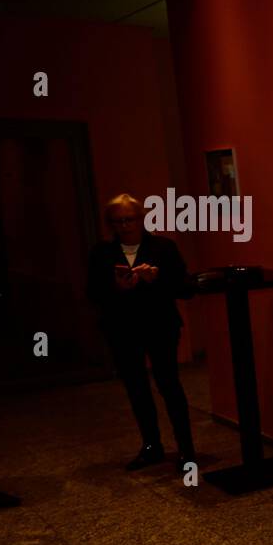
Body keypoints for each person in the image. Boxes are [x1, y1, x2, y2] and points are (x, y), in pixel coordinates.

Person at [85, 193, 196, 470]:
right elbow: (92, 293)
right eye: (117, 221)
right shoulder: (102, 253)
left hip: (160, 325)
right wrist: (117, 288)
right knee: (136, 388)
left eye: (129, 219)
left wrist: (157, 278)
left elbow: (185, 289)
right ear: (110, 224)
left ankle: (186, 448)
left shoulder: (163, 248)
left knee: (169, 385)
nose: (124, 226)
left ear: (140, 218)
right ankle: (151, 445)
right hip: (122, 328)